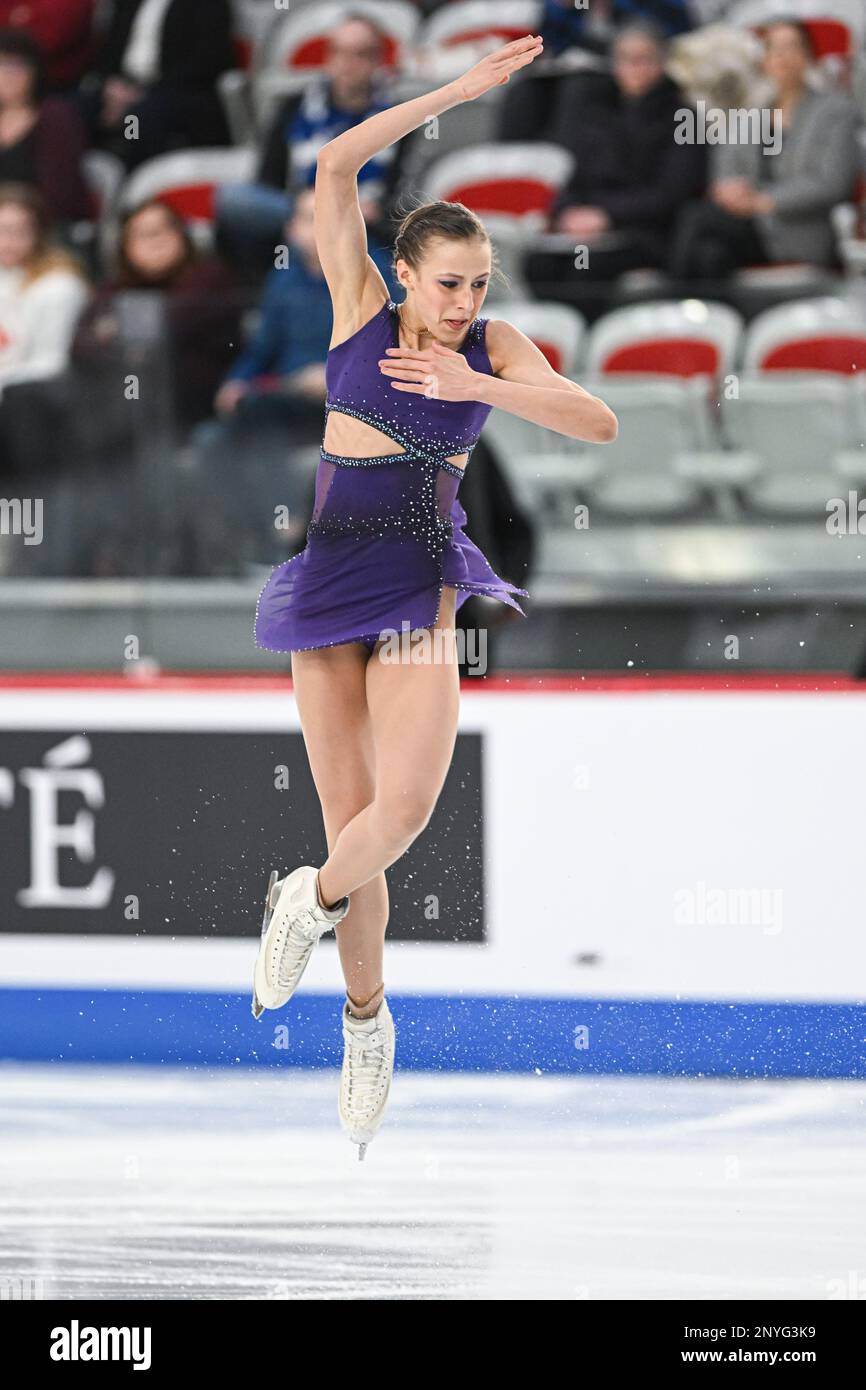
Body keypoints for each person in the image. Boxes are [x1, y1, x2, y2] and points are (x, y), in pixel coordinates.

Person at [250, 34, 618, 1159]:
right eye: (447, 283)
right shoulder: (357, 307)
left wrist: (475, 380)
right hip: (328, 577)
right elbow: (329, 171)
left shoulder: (496, 345)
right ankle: (365, 1025)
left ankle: (302, 902)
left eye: (477, 284)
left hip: (419, 578)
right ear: (405, 273)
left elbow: (597, 422)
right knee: (349, 814)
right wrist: (453, 94)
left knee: (398, 817)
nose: (464, 300)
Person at [524, 21, 707, 305]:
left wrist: (606, 216)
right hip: (595, 232)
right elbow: (576, 176)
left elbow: (672, 194)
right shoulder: (598, 113)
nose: (634, 66)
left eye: (643, 58)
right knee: (539, 263)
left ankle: (591, 343)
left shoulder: (684, 117)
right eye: (626, 59)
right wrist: (567, 213)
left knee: (587, 270)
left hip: (648, 233)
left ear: (662, 63)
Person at [215, 10, 404, 281]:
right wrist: (307, 210)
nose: (346, 63)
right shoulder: (294, 107)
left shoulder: (399, 116)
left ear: (378, 61)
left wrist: (367, 210)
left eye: (358, 54)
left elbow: (404, 195)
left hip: (363, 225)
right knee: (235, 199)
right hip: (297, 215)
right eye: (337, 52)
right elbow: (268, 179)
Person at [669, 19, 862, 278]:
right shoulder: (749, 116)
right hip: (743, 227)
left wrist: (763, 202)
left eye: (791, 47)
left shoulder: (834, 112)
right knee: (709, 254)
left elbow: (831, 183)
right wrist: (732, 194)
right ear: (763, 59)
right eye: (773, 48)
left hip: (798, 231)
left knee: (696, 219)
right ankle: (698, 312)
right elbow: (726, 170)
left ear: (808, 55)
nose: (782, 56)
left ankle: (669, 302)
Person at [0, 181, 90, 483]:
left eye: (16, 231)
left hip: (36, 409)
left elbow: (53, 365)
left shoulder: (59, 286)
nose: (5, 241)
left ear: (38, 233)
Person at [0, 27, 95, 227]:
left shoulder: (56, 117)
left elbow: (60, 196)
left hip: (43, 229)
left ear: (35, 70)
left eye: (16, 66)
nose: (7, 75)